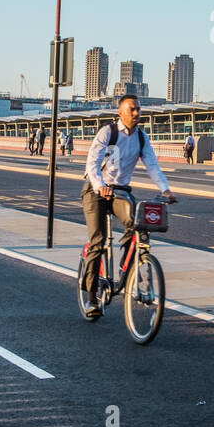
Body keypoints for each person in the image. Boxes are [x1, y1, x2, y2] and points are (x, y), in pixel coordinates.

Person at [80, 95, 175, 319]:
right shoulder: (108, 132)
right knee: (98, 241)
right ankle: (92, 297)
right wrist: (100, 186)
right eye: (132, 109)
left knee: (137, 225)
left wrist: (165, 189)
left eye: (138, 109)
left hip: (121, 191)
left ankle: (126, 268)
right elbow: (91, 164)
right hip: (97, 190)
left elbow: (152, 165)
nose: (136, 113)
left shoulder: (141, 138)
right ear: (121, 112)